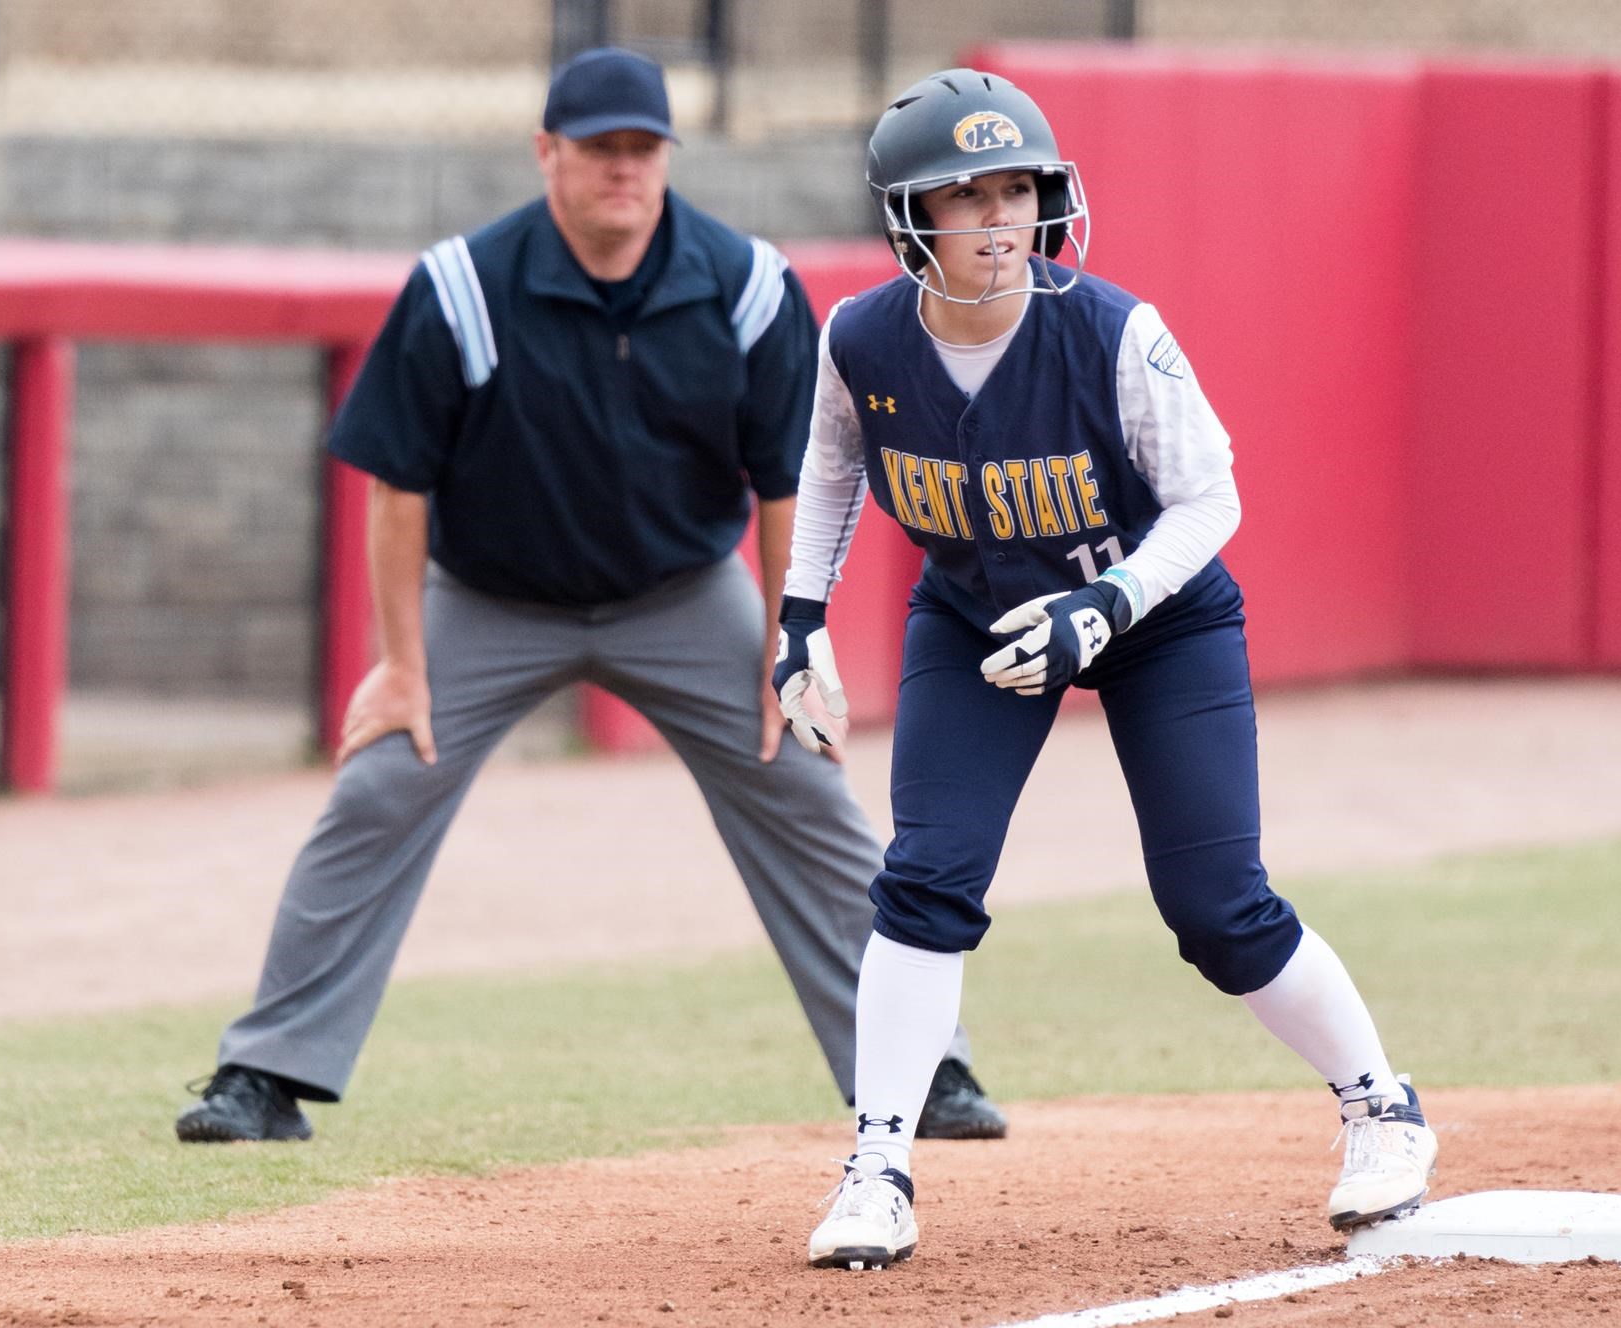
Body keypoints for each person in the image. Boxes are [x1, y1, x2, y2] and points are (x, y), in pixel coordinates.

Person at [174, 48, 1003, 1146]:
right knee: (380, 779)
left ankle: (922, 1066)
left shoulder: (745, 284)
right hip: (490, 598)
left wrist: (785, 645)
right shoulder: (463, 287)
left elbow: (785, 483)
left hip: (684, 593)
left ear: (665, 158)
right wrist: (404, 663)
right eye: (598, 148)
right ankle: (262, 1073)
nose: (622, 169)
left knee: (803, 776)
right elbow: (396, 486)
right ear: (546, 154)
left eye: (640, 149)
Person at [772, 69, 1438, 1271]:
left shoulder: (1110, 329)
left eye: (1015, 189)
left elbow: (1210, 496)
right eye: (963, 194)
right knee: (923, 877)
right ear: (905, 219)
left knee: (1214, 907)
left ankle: (1379, 1105)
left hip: (1156, 617)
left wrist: (1106, 601)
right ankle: (877, 1163)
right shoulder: (860, 336)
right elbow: (831, 462)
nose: (997, 219)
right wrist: (800, 617)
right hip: (974, 615)